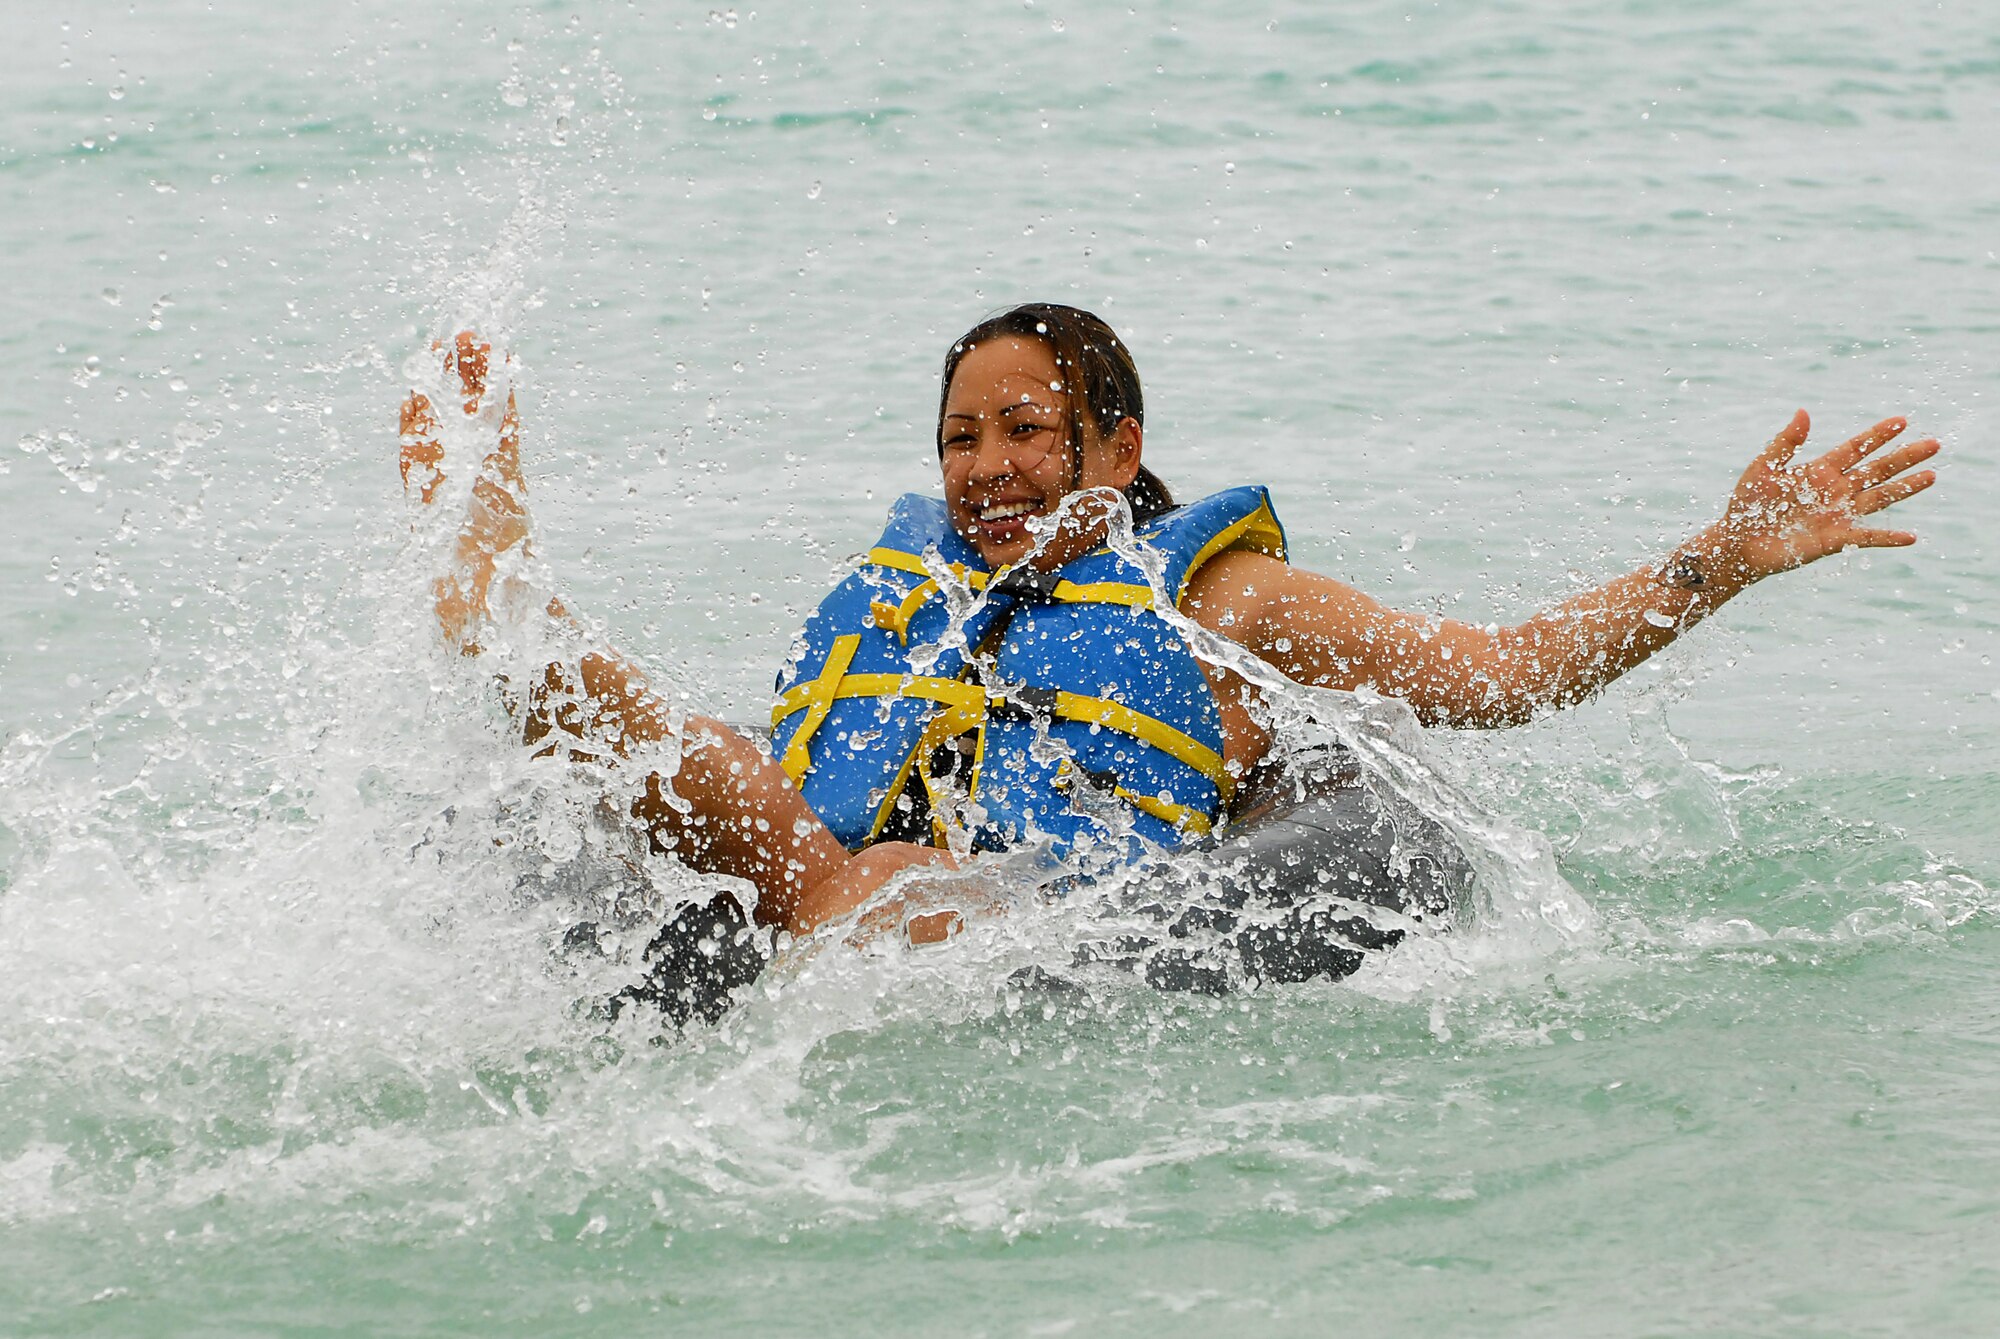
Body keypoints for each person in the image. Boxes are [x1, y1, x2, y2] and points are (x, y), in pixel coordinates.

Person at [399, 304, 1940, 956]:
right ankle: (506, 607)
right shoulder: (923, 595)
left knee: (852, 882)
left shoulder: (1225, 601)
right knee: (726, 784)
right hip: (817, 851)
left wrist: (1717, 562)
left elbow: (1494, 677)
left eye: (1024, 431)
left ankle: (511, 607)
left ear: (1117, 452)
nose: (986, 469)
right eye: (959, 440)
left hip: (1036, 903)